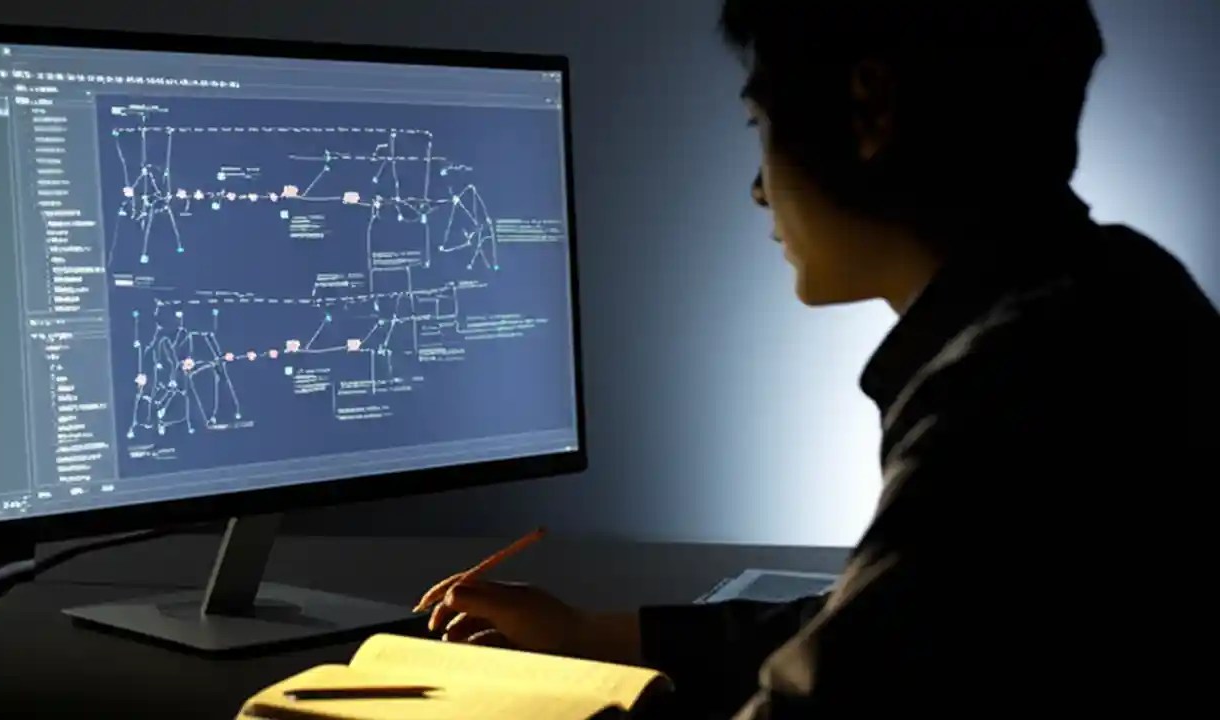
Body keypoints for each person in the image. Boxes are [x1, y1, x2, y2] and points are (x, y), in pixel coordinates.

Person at [420, 0, 1219, 716]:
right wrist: (591, 632)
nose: (759, 191)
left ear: (868, 109)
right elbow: (889, 626)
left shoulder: (1012, 392)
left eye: (757, 128)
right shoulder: (1124, 289)